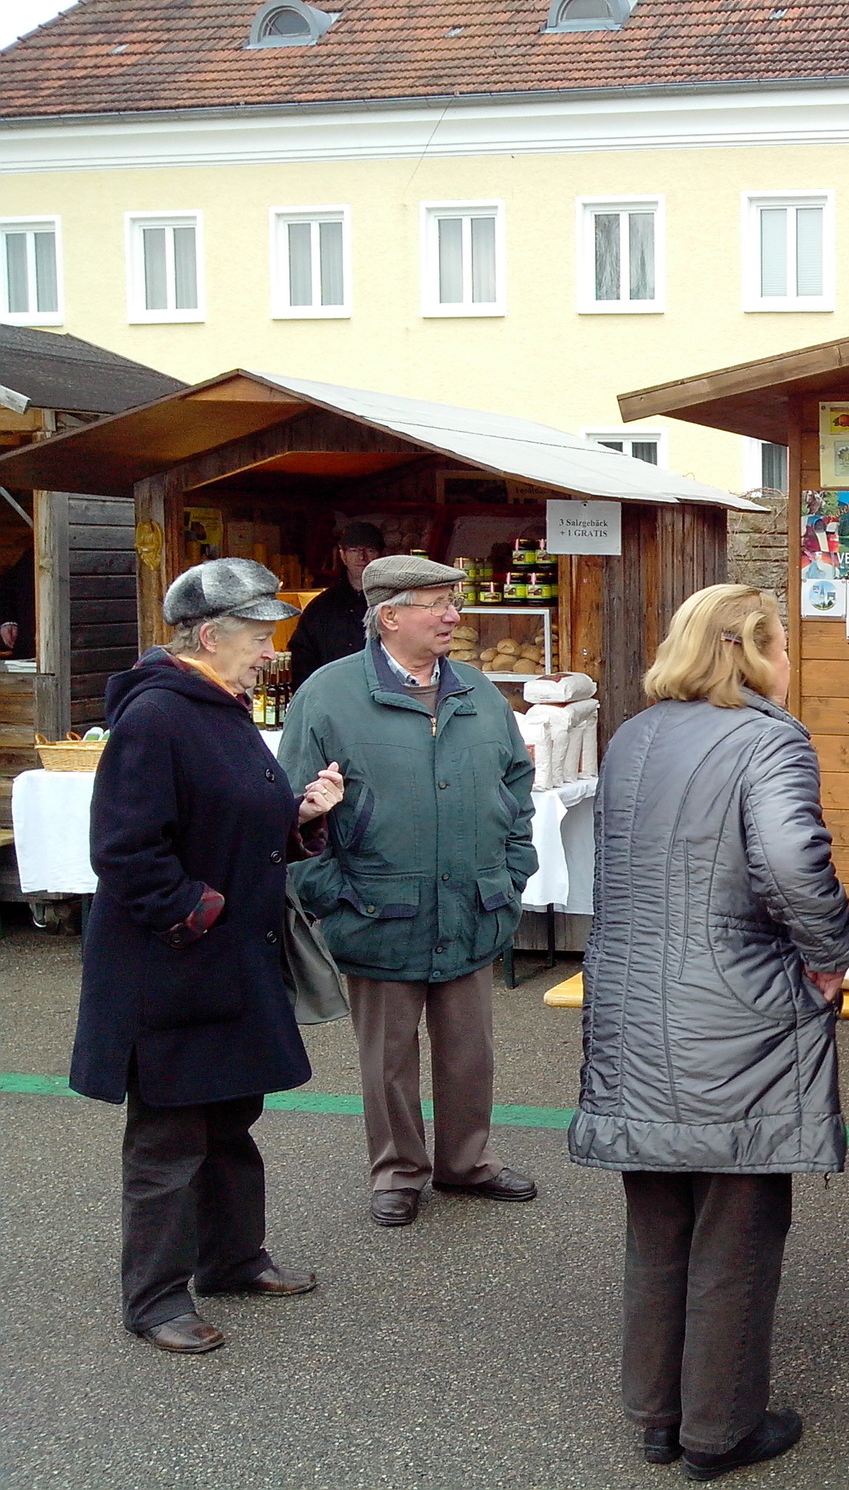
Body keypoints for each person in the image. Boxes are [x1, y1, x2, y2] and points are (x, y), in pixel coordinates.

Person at [570, 583, 849, 1476]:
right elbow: (789, 860)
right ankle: (718, 1431)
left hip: (629, 1005)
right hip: (735, 1014)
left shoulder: (633, 735)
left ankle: (659, 1415)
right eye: (781, 644)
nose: (788, 663)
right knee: (737, 1226)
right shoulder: (768, 737)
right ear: (751, 650)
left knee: (658, 1218)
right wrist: (836, 949)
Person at [69, 559, 346, 1354]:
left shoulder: (216, 709)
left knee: (229, 1115)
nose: (271, 651)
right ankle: (154, 1300)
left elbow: (225, 820)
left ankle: (232, 1258)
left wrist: (297, 818)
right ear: (210, 634)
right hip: (175, 966)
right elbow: (125, 851)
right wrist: (199, 913)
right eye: (259, 636)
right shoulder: (159, 716)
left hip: (227, 959)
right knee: (169, 1136)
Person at [280, 554, 537, 1229]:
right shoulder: (328, 696)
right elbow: (290, 809)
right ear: (390, 616)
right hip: (374, 908)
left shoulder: (478, 692)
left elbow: (516, 787)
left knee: (469, 1049)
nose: (454, 616)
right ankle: (397, 1172)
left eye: (453, 601)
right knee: (387, 1057)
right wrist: (329, 894)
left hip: (473, 902)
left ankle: (466, 1161)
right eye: (437, 603)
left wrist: (513, 871)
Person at [286, 520, 385, 676]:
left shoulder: (393, 604)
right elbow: (302, 656)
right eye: (353, 550)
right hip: (331, 694)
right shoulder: (321, 607)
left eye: (370, 550)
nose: (362, 557)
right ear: (342, 555)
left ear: (381, 555)